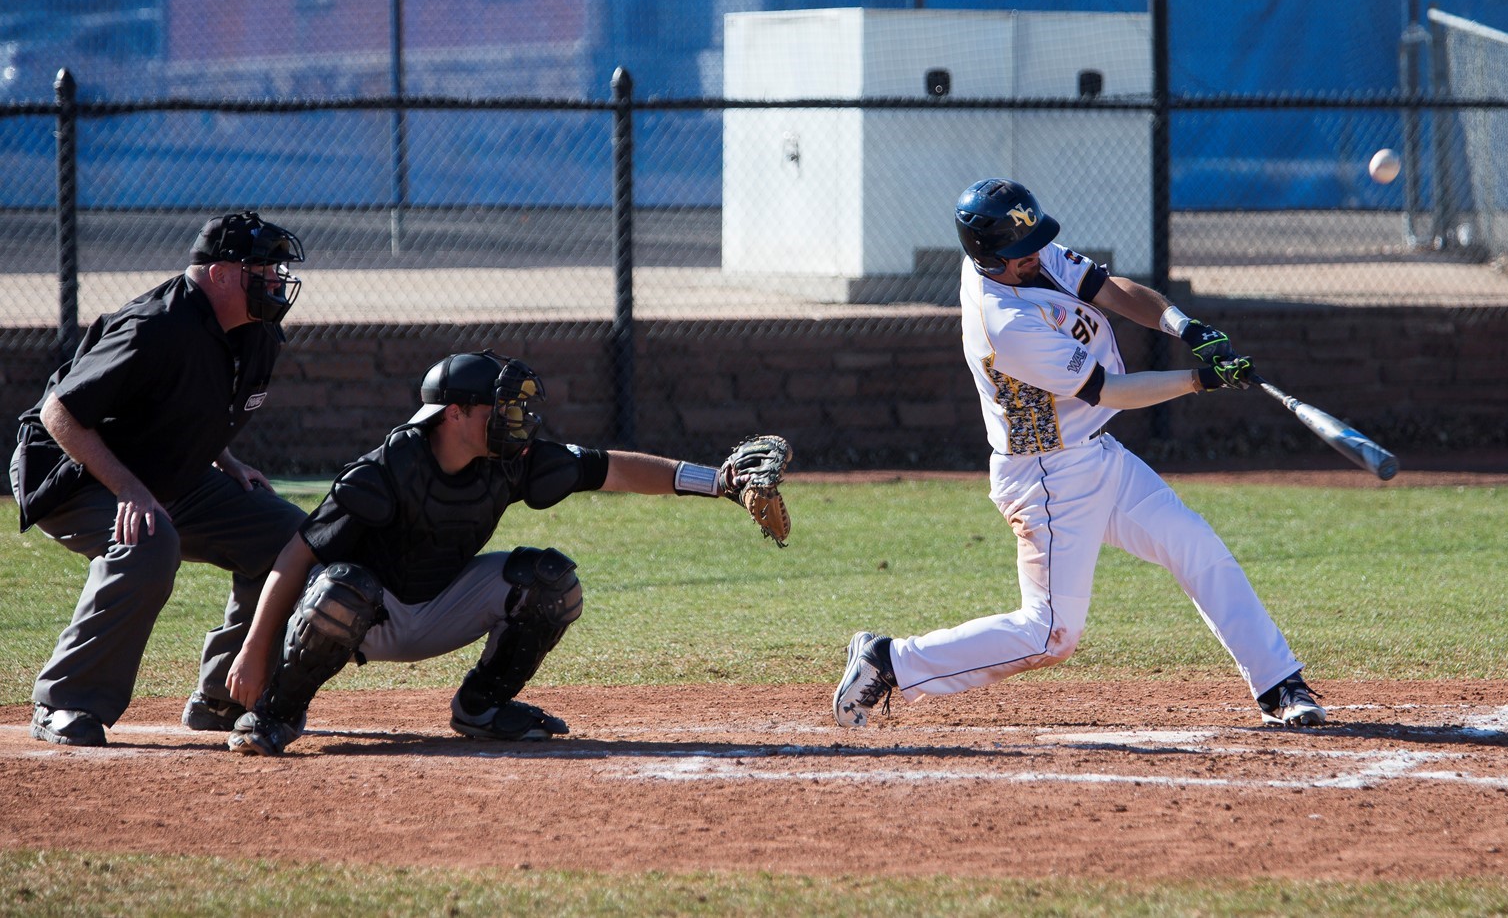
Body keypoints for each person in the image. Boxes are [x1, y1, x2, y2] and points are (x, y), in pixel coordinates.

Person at [833, 178, 1326, 731]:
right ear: (989, 257)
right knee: (1051, 633)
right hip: (1048, 477)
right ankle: (890, 661)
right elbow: (1108, 390)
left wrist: (1184, 326)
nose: (1035, 255)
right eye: (1021, 252)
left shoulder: (1025, 256)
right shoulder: (1005, 323)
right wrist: (1199, 380)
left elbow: (1107, 289)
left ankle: (1279, 683)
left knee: (1195, 546)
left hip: (1096, 455)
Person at [223, 350, 791, 756]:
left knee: (551, 581)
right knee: (341, 587)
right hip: (363, 617)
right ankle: (274, 712)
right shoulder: (386, 470)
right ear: (454, 414)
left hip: (439, 605)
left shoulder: (511, 459)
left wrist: (716, 481)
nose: (513, 418)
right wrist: (253, 650)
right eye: (497, 407)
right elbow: (297, 553)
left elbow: (610, 468)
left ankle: (482, 708)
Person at [10, 211, 310, 747]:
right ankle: (65, 700)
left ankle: (224, 695)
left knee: (291, 539)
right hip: (76, 473)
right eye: (263, 268)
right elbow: (60, 414)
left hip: (168, 475)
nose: (275, 280)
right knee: (148, 542)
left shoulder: (254, 333)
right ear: (220, 274)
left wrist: (226, 460)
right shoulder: (156, 328)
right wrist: (129, 488)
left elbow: (189, 405)